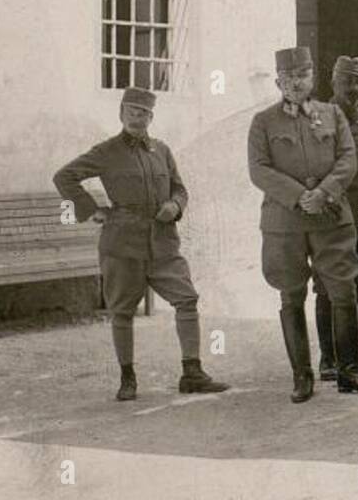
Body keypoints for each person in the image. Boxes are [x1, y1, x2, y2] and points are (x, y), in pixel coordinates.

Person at [54, 86, 228, 401]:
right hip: (122, 245)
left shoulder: (161, 150)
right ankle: (127, 378)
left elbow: (180, 188)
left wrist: (175, 206)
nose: (138, 117)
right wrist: (92, 209)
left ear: (152, 117)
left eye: (144, 112)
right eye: (132, 111)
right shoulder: (106, 152)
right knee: (122, 311)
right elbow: (64, 176)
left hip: (163, 244)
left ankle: (192, 372)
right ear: (121, 113)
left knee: (186, 299)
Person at [248, 46, 358, 401]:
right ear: (279, 81)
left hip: (331, 219)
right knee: (291, 295)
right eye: (289, 77)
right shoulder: (263, 121)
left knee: (344, 291)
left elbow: (347, 159)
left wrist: (323, 193)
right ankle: (302, 376)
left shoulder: (333, 115)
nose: (296, 83)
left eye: (303, 76)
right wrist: (298, 195)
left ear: (312, 78)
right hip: (284, 223)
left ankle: (348, 372)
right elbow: (259, 169)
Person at [314, 55, 358, 380]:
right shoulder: (317, 117)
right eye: (347, 81)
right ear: (333, 81)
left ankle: (354, 350)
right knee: (330, 283)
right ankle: (329, 357)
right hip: (335, 207)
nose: (353, 88)